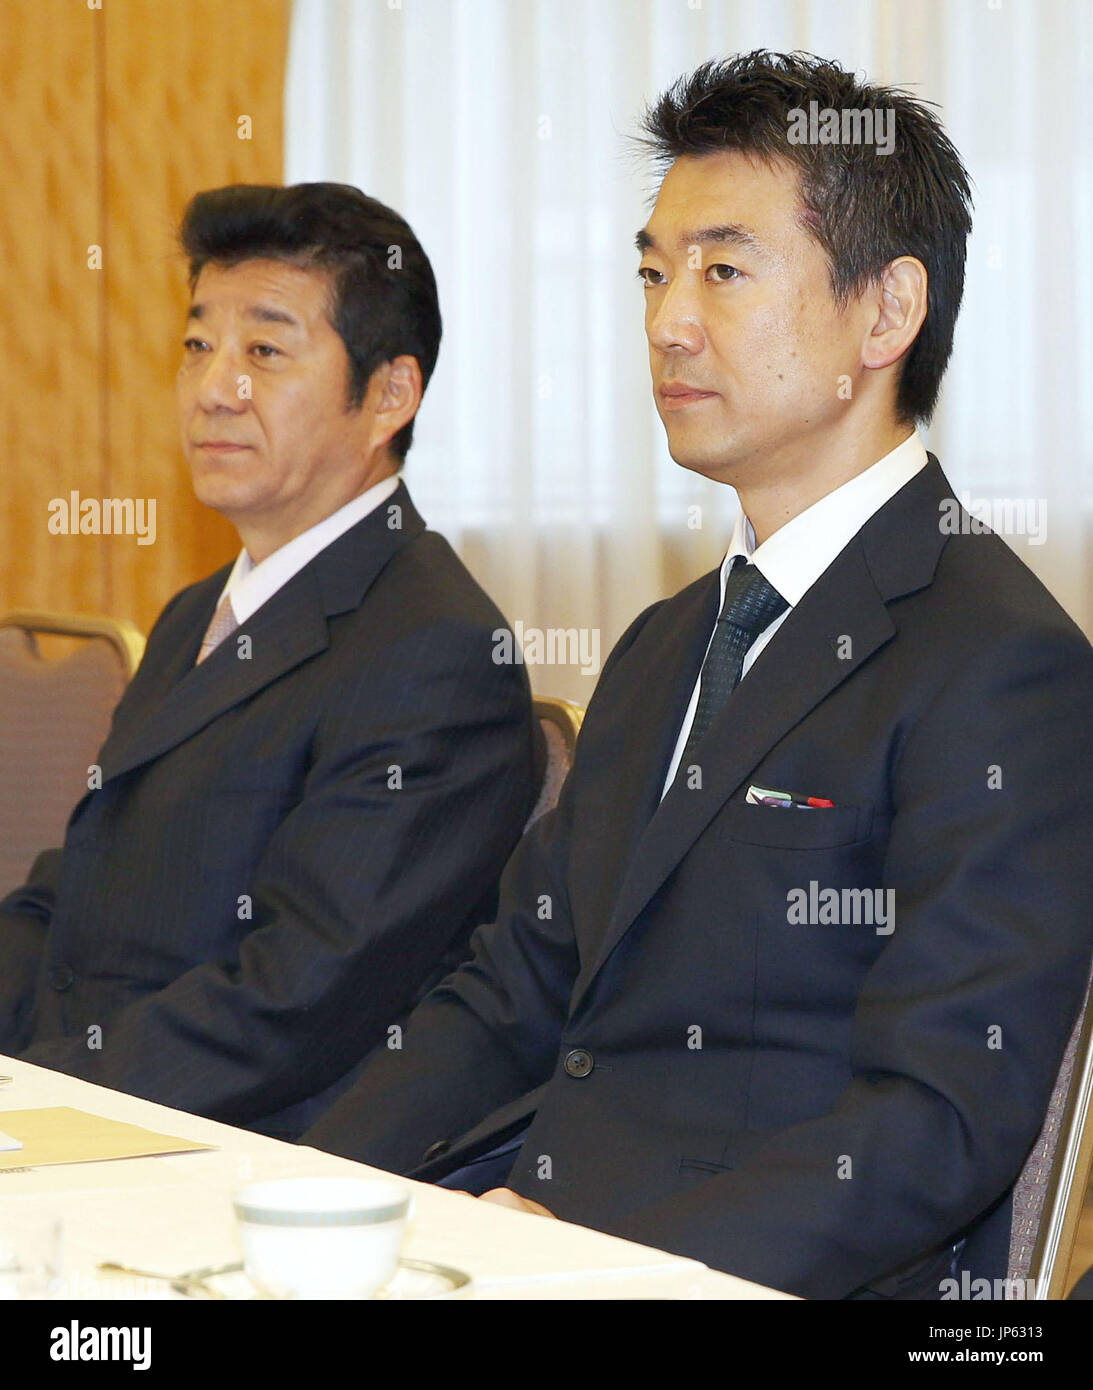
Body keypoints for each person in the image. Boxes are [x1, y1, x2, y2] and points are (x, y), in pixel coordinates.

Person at [303, 55, 1093, 1300]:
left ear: (886, 314)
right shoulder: (669, 641)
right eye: (653, 272)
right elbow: (517, 985)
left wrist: (604, 1270)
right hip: (519, 1231)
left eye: (724, 269)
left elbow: (936, 1118)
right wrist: (298, 1190)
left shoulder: (1005, 666)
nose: (668, 319)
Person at [0, 182, 543, 1139]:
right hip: (94, 1106)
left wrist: (50, 1106)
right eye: (198, 343)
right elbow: (70, 895)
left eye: (264, 349)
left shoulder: (439, 652)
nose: (215, 386)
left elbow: (297, 996)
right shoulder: (192, 615)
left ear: (388, 395)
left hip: (249, 1155)